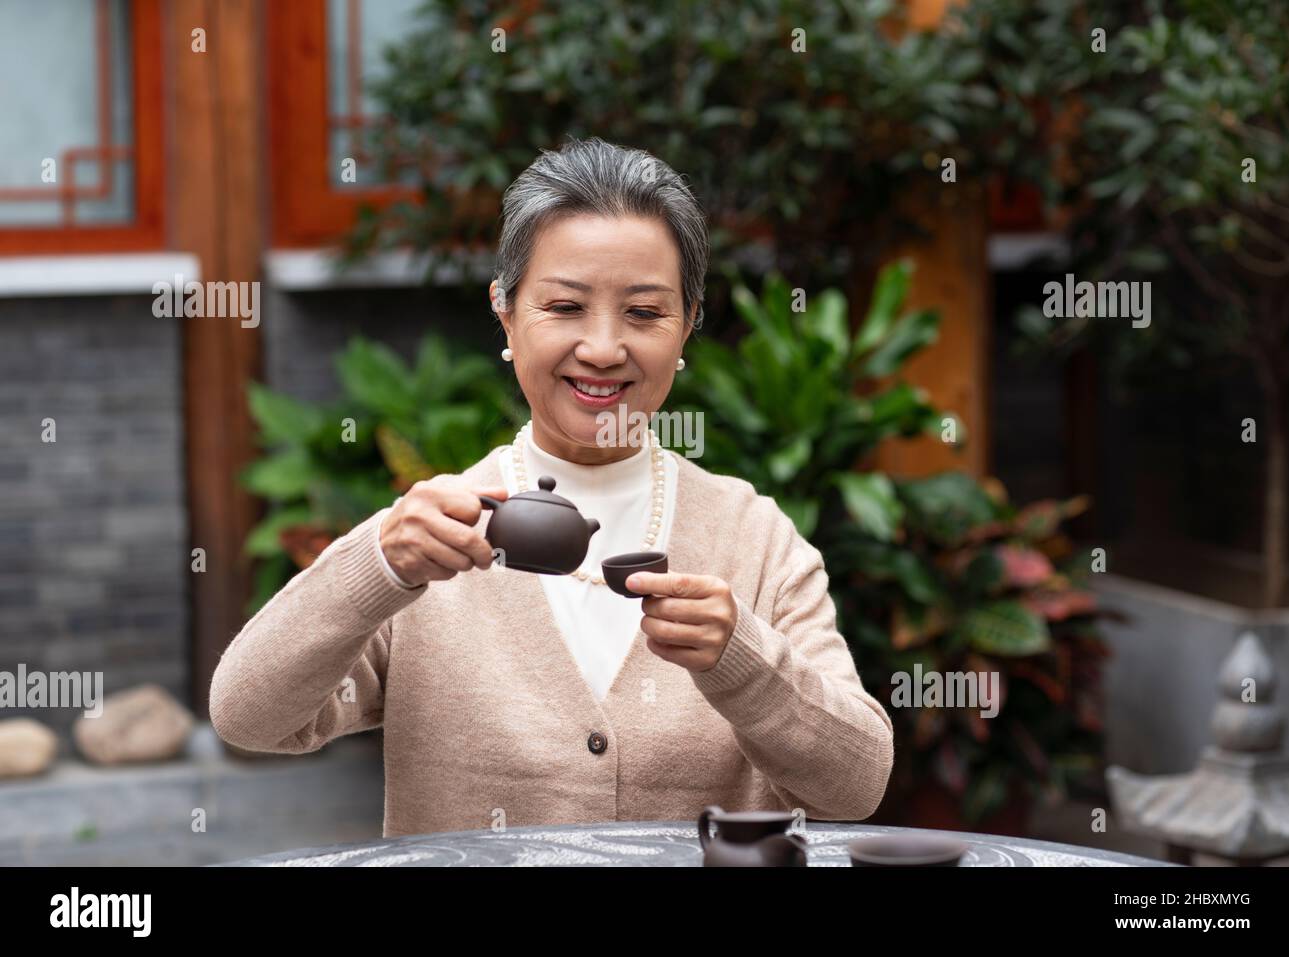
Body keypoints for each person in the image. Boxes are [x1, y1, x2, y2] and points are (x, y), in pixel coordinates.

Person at [209, 136, 894, 837]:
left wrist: (742, 659)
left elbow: (857, 782)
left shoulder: (752, 537)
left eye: (645, 312)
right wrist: (374, 564)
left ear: (688, 324)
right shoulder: (430, 540)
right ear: (505, 311)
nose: (602, 347)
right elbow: (250, 716)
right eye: (565, 307)